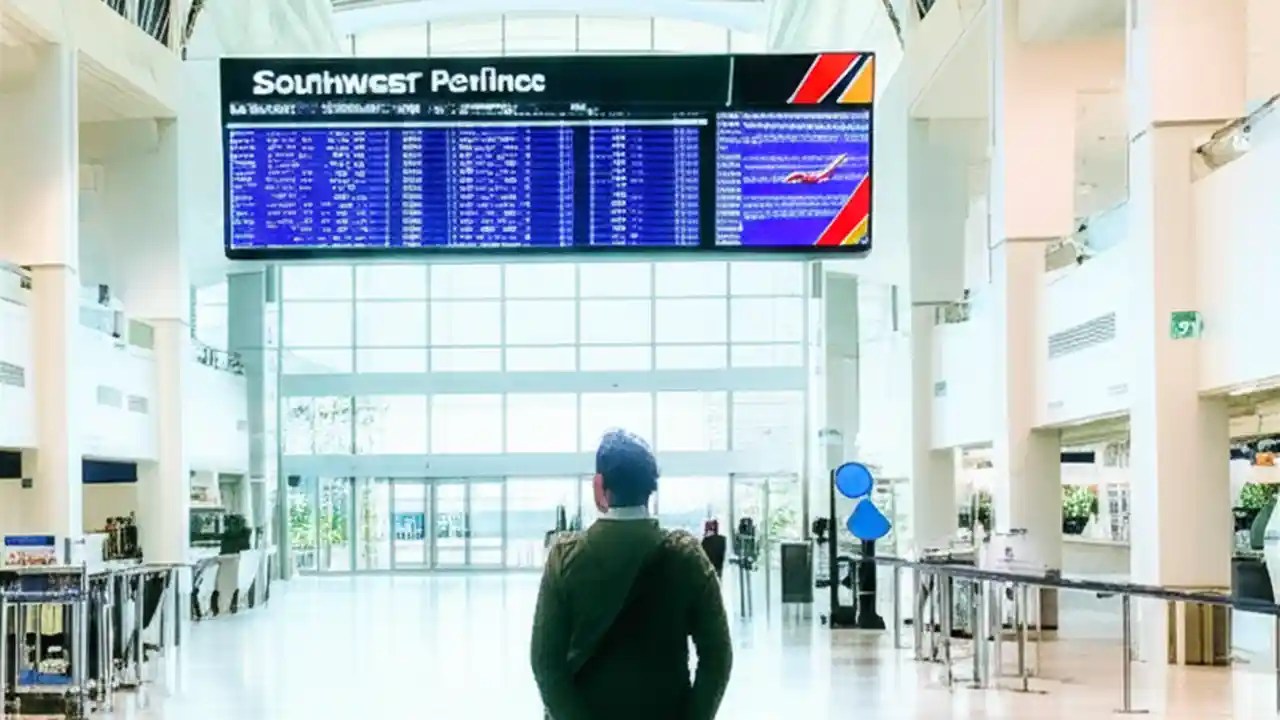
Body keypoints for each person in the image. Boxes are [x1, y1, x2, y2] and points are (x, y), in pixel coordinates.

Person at [530, 429, 733, 720]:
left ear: (599, 486)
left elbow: (545, 663)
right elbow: (717, 656)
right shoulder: (687, 557)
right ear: (650, 488)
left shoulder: (565, 557)